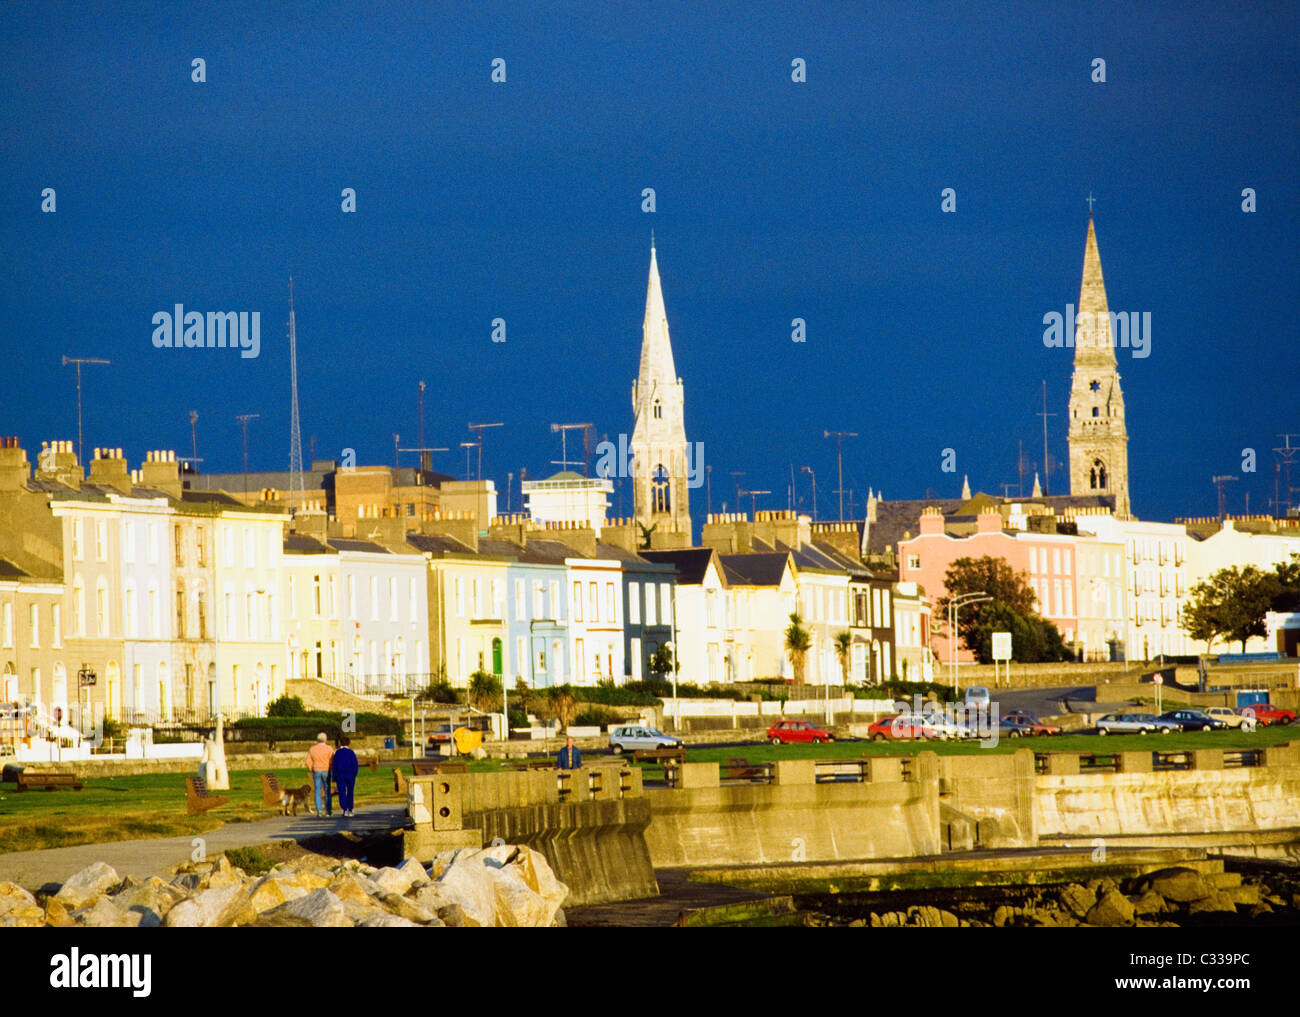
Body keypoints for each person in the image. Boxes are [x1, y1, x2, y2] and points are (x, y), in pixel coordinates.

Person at [307, 732, 334, 817]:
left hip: (317, 770)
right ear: (325, 739)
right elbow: (332, 760)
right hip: (326, 770)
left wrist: (311, 768)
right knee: (327, 790)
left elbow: (308, 761)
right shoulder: (329, 748)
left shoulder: (312, 749)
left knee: (317, 790)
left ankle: (319, 810)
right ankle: (328, 810)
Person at [332, 735, 360, 817]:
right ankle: (350, 809)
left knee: (342, 792)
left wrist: (334, 776)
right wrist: (354, 773)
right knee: (350, 792)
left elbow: (334, 765)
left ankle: (345, 809)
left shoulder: (337, 753)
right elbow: (355, 764)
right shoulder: (351, 752)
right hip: (350, 774)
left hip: (340, 775)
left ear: (340, 743)